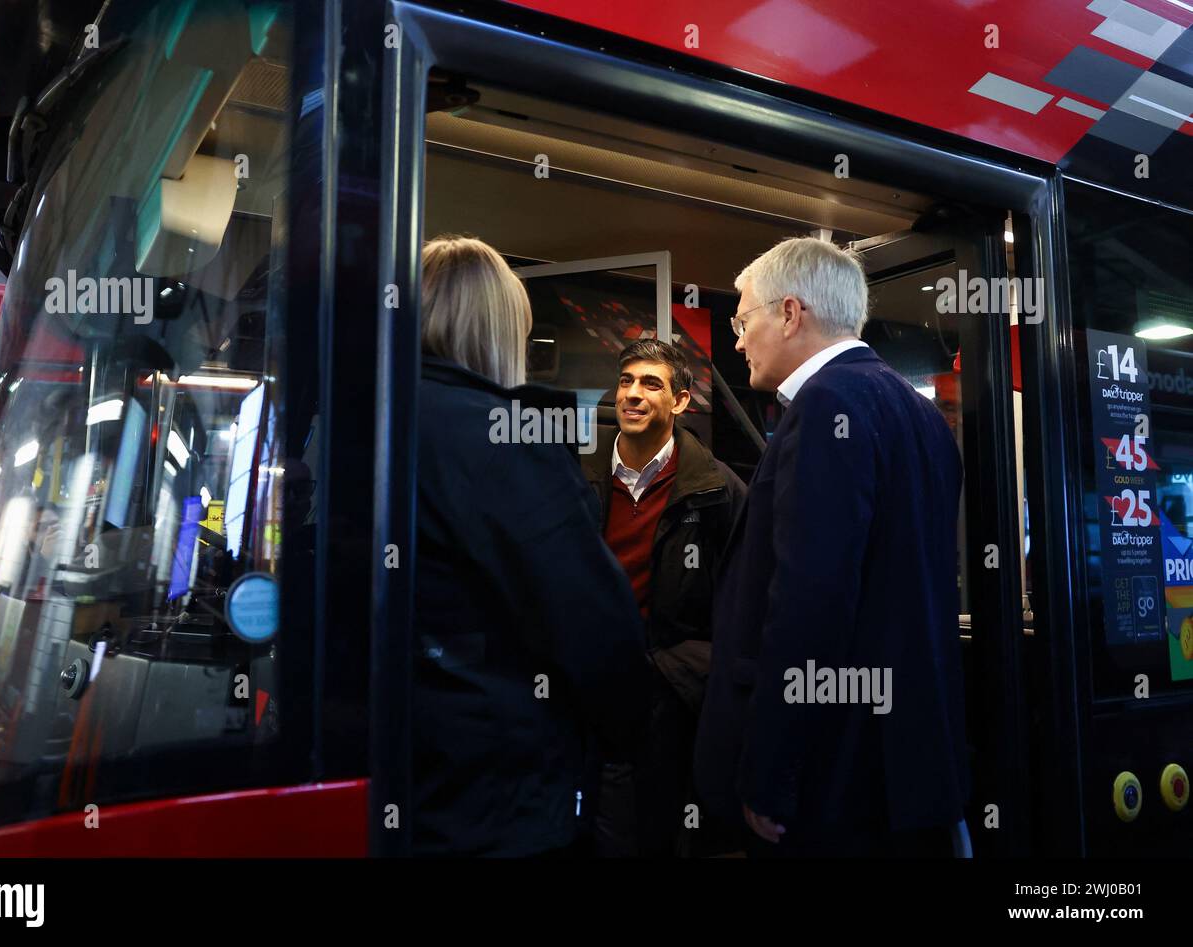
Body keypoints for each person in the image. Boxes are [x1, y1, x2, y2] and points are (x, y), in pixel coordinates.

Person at [695, 237, 967, 857]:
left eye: (742, 320)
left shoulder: (826, 404)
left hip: (834, 777)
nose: (737, 341)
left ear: (790, 314)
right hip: (907, 766)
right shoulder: (922, 414)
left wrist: (772, 770)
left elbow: (811, 600)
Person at [413, 235, 647, 857]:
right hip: (494, 794)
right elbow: (596, 631)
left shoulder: (354, 422)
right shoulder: (509, 437)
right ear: (499, 333)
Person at [580, 339, 745, 856]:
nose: (632, 394)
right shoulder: (576, 476)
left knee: (666, 831)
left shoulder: (717, 488)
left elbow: (745, 598)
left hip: (674, 695)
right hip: (592, 687)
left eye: (651, 384)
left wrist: (697, 668)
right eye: (626, 381)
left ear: (680, 400)